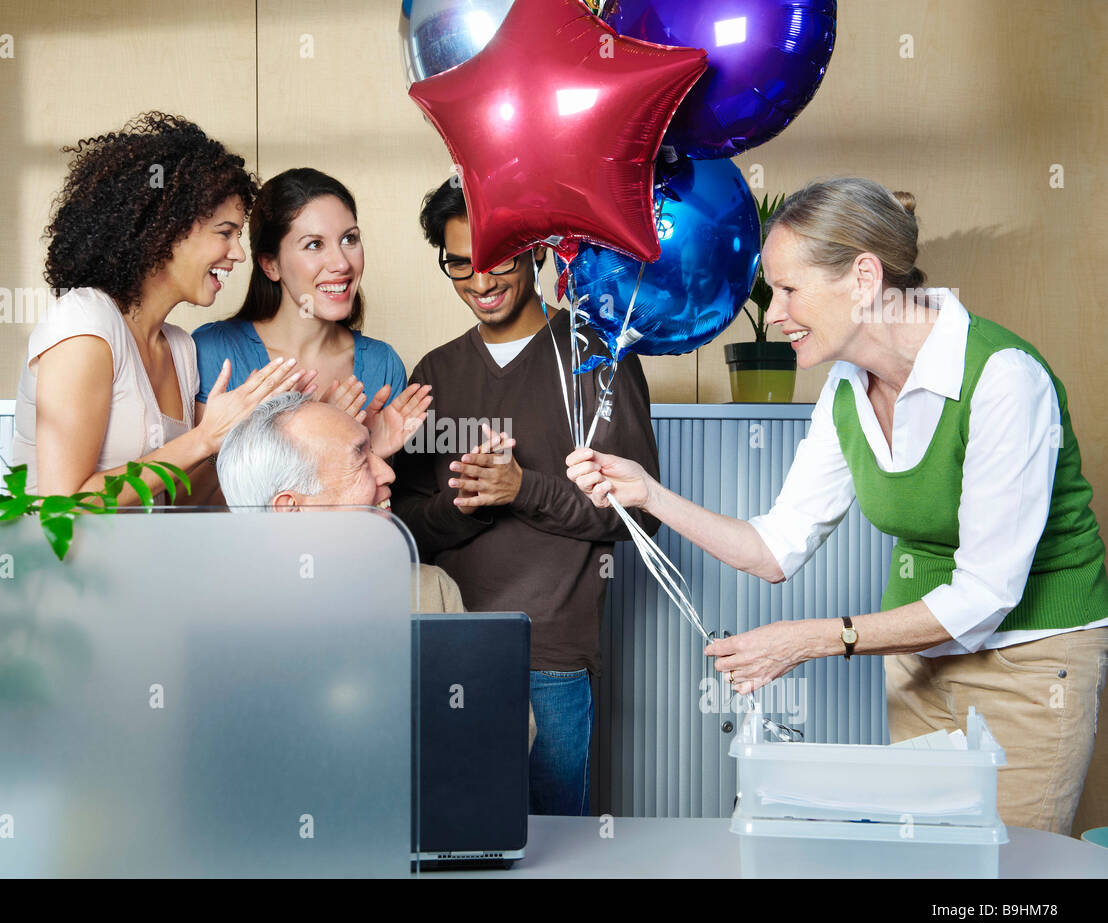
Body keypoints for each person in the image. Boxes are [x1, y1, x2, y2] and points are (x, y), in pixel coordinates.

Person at [567, 177, 1108, 836]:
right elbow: (774, 549)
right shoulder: (847, 390)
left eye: (789, 290)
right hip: (920, 664)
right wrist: (647, 492)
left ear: (863, 277)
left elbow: (987, 594)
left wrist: (814, 640)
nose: (777, 312)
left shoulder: (1002, 378)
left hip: (1030, 662)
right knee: (926, 862)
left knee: (1010, 875)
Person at [392, 178, 659, 816]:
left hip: (551, 657)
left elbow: (639, 515)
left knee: (554, 837)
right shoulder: (434, 373)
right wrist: (462, 503)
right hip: (450, 648)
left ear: (537, 249)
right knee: (459, 832)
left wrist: (522, 489)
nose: (480, 281)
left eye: (498, 260)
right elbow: (400, 528)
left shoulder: (599, 358)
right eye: (460, 262)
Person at [13, 112, 309, 503]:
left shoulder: (180, 349)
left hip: (148, 559)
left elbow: (179, 503)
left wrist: (235, 435)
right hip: (61, 562)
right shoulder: (85, 323)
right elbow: (66, 505)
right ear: (166, 229)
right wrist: (203, 437)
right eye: (225, 233)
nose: (238, 254)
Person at [215, 391, 537, 750]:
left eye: (374, 451)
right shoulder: (227, 628)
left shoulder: (431, 591)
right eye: (360, 458)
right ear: (291, 510)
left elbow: (509, 729)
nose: (387, 471)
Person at [193, 168, 431, 468]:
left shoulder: (383, 364)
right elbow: (196, 499)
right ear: (271, 265)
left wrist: (366, 456)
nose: (341, 263)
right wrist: (318, 437)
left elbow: (377, 504)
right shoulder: (214, 352)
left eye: (349, 239)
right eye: (314, 245)